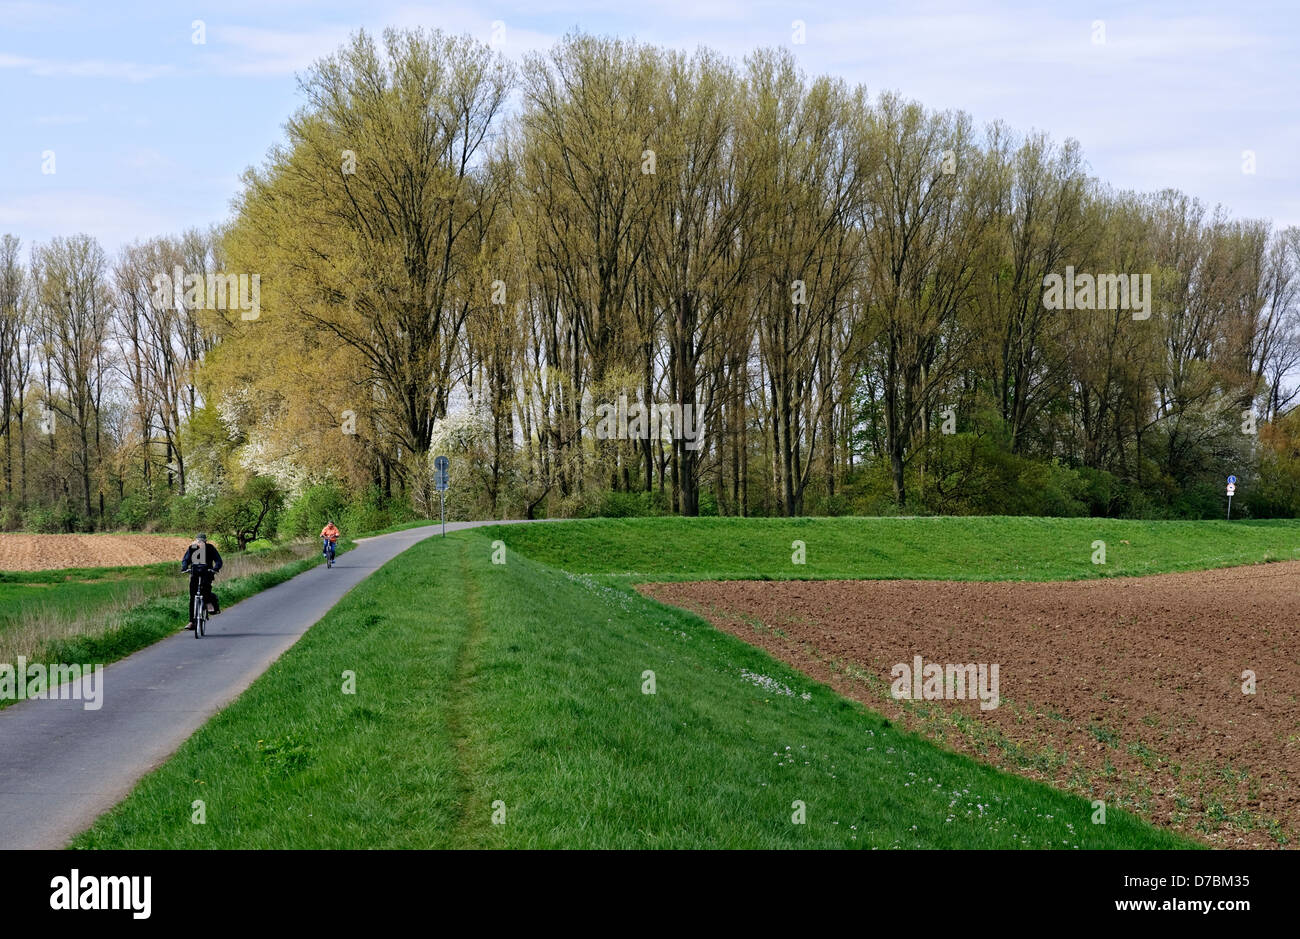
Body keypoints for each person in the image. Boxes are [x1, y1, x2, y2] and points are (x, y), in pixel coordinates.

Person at [181, 533, 223, 630]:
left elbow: (218, 560)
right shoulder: (192, 548)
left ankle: (208, 603)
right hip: (195, 574)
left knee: (206, 587)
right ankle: (191, 622)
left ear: (205, 541)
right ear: (196, 541)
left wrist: (215, 568)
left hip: (207, 573)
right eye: (198, 541)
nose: (200, 543)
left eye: (201, 541)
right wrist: (184, 568)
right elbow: (186, 559)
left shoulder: (210, 548)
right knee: (192, 597)